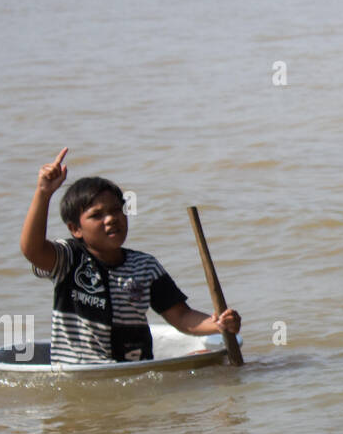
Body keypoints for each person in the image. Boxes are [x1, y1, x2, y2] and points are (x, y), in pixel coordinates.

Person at [19, 148, 241, 364]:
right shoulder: (68, 258)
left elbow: (182, 317)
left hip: (133, 369)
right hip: (80, 370)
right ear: (75, 229)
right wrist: (43, 192)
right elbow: (32, 249)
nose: (110, 219)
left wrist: (219, 323)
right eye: (97, 215)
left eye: (116, 210)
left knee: (206, 361)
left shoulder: (144, 266)